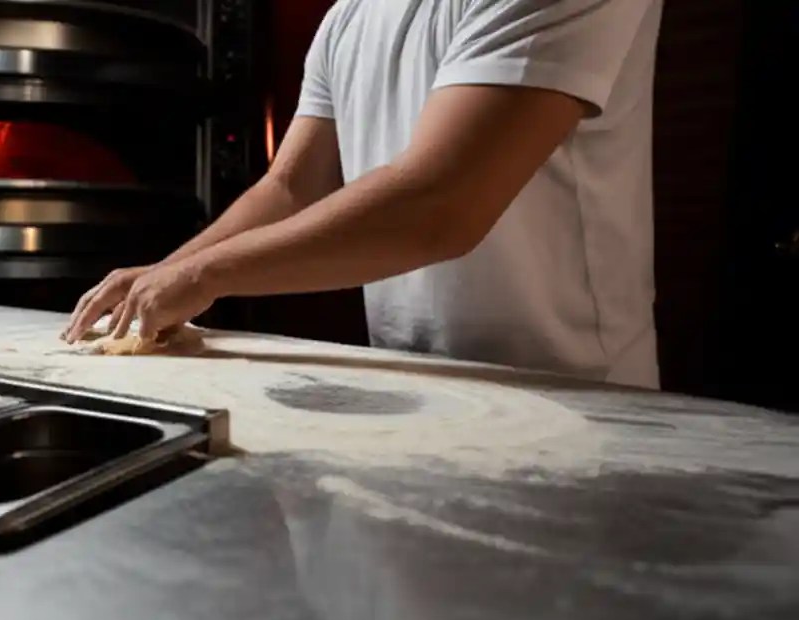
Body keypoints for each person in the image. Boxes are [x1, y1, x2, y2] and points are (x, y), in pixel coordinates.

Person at [61, 0, 665, 389]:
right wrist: (162, 277)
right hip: (416, 386)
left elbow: (442, 205)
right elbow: (293, 186)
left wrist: (202, 277)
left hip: (580, 398)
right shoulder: (352, 14)